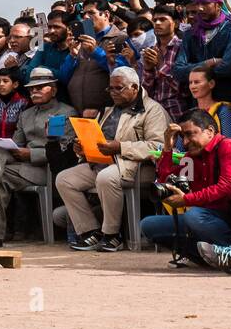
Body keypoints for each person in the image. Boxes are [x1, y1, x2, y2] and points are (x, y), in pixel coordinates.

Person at [55, 66, 167, 251]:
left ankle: (112, 235)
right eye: (111, 88)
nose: (113, 92)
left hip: (139, 166)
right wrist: (82, 148)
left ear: (134, 87)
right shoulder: (109, 109)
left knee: (106, 177)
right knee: (64, 179)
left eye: (119, 88)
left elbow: (158, 147)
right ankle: (90, 232)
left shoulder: (152, 110)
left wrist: (121, 147)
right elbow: (99, 139)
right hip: (105, 162)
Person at [0, 67, 74, 248]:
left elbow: (63, 151)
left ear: (53, 90)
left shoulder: (65, 113)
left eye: (41, 87)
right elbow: (16, 143)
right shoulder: (26, 114)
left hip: (46, 169)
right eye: (32, 88)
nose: (35, 91)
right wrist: (10, 148)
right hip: (22, 167)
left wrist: (31, 154)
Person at [143, 109, 231, 267]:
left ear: (209, 131)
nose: (185, 142)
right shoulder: (190, 157)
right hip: (210, 219)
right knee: (149, 225)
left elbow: (229, 185)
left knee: (194, 216)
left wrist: (186, 199)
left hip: (229, 215)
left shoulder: (228, 146)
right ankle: (212, 258)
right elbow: (165, 180)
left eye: (190, 134)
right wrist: (167, 147)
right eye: (182, 137)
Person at [185, 64, 231, 139]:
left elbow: (230, 144)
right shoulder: (189, 114)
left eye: (197, 82)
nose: (192, 86)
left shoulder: (224, 111)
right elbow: (179, 149)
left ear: (211, 84)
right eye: (190, 83)